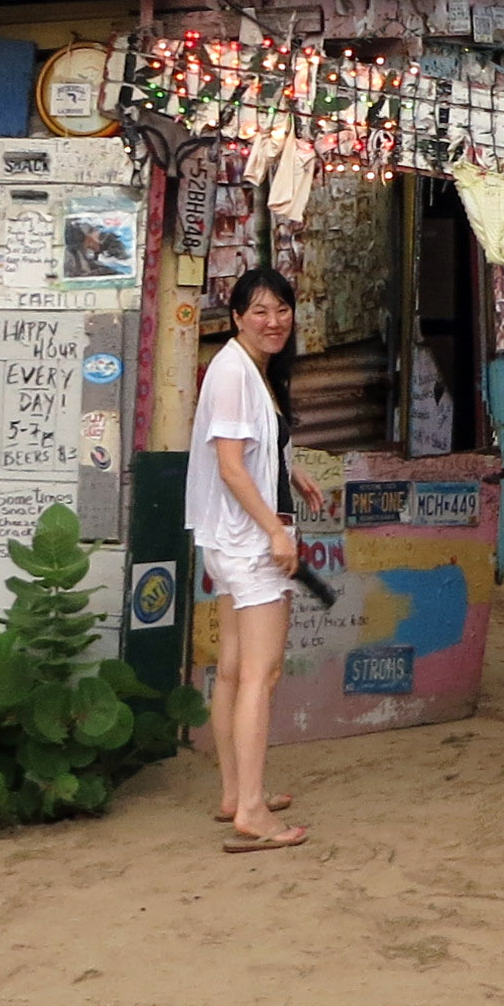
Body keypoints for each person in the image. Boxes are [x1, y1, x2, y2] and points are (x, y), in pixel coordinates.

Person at [189, 263, 308, 850]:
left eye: (282, 309)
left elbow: (254, 452)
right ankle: (253, 811)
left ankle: (236, 792)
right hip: (248, 540)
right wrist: (276, 532)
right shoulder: (236, 373)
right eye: (259, 311)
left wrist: (293, 471)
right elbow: (232, 467)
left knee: (236, 670)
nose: (273, 321)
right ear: (237, 317)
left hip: (229, 538)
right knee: (262, 675)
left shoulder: (243, 369)